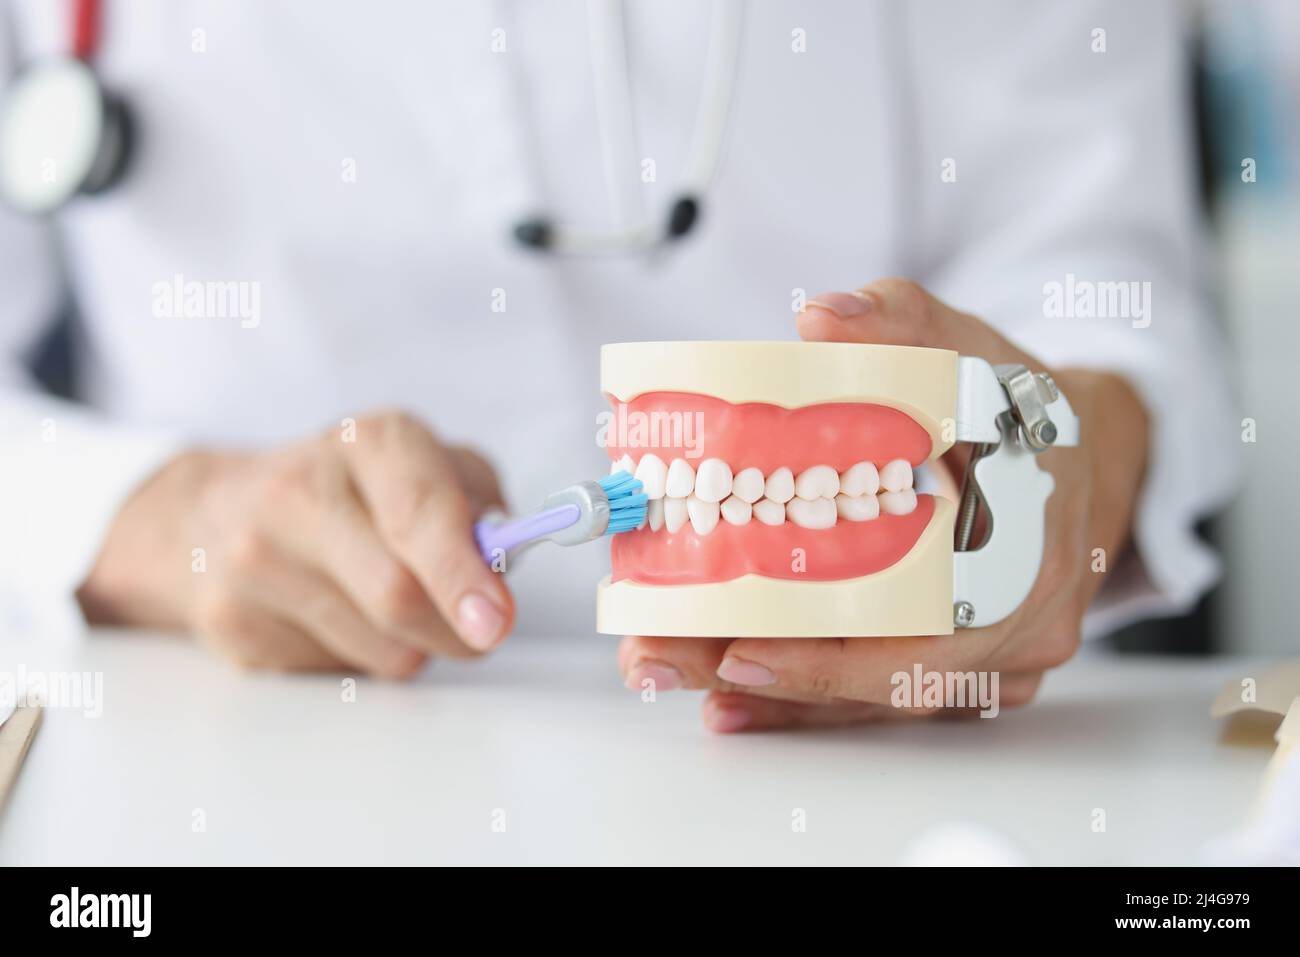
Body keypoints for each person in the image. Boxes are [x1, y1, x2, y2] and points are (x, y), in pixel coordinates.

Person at [2, 0, 1238, 731]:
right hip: (236, 735)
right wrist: (162, 515)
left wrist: (1069, 454)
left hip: (924, 757)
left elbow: (1097, 273)